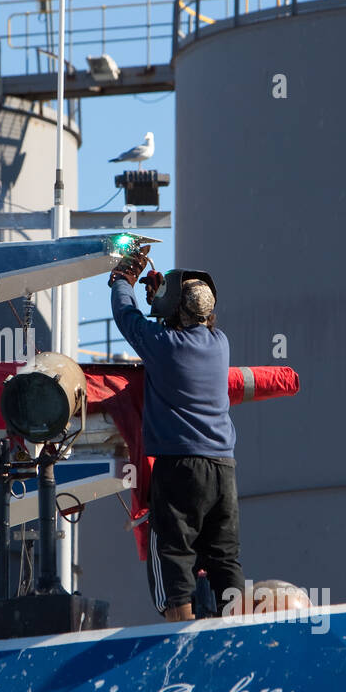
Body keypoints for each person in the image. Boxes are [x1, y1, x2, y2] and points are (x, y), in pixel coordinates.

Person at [109, 247, 244, 621]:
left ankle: (178, 635)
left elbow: (127, 317)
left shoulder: (163, 346)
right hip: (223, 468)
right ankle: (237, 629)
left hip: (181, 466)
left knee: (174, 552)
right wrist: (163, 298)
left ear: (176, 313)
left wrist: (123, 282)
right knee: (224, 558)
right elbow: (180, 324)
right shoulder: (220, 344)